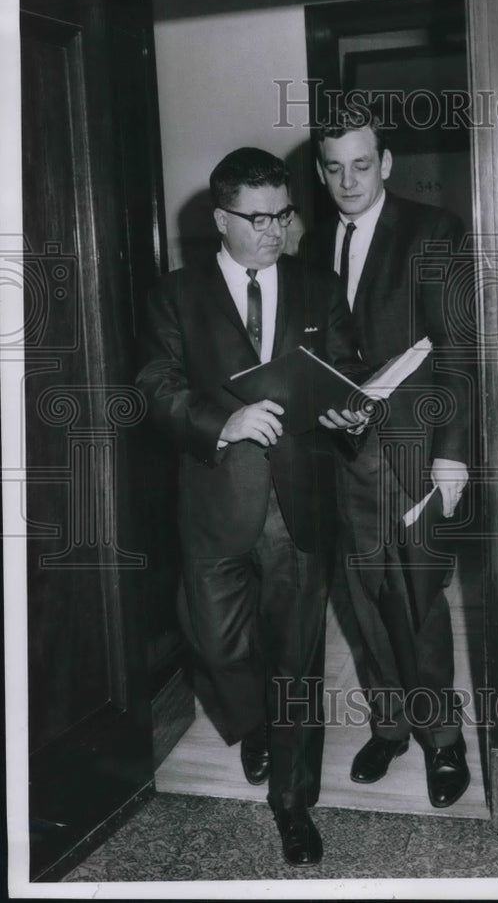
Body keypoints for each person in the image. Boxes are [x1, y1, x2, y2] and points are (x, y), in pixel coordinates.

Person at [136, 147, 364, 866]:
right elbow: (153, 382)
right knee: (214, 644)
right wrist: (220, 421)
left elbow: (348, 372)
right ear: (219, 219)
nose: (274, 230)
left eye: (284, 214)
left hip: (296, 505)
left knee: (296, 662)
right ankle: (252, 723)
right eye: (257, 218)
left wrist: (350, 413)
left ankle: (293, 805)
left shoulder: (318, 286)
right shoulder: (175, 294)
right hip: (213, 501)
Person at [303, 108, 474, 809]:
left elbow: (458, 350)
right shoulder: (311, 245)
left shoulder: (433, 232)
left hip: (411, 450)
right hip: (339, 457)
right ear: (320, 171)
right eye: (334, 167)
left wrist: (454, 457)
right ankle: (391, 726)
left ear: (388, 163)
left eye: (362, 165)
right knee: (364, 597)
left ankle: (443, 741)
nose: (349, 180)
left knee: (417, 599)